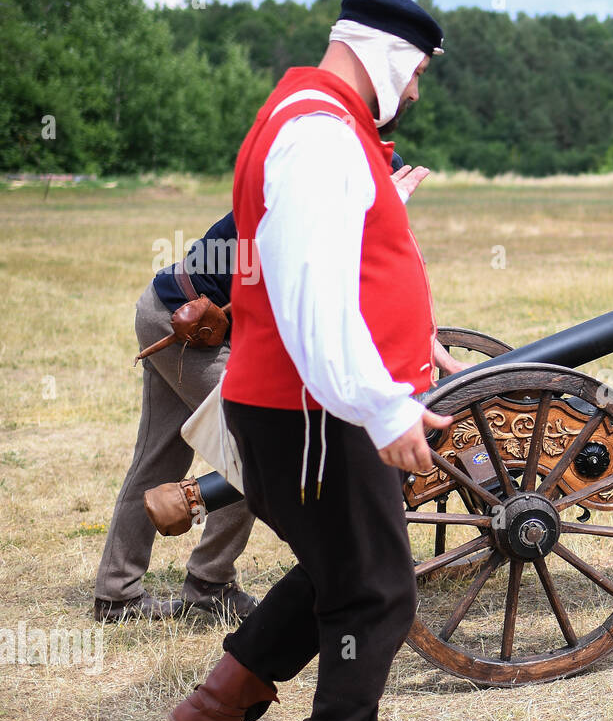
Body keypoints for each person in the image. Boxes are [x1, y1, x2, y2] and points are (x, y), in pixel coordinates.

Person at [167, 0, 462, 721]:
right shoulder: (322, 132)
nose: (411, 98)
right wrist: (383, 405)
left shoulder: (309, 117)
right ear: (394, 58)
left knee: (341, 565)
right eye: (414, 79)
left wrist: (413, 342)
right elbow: (308, 299)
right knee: (376, 589)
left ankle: (219, 705)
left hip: (300, 406)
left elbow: (345, 264)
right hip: (312, 413)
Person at [93, 155, 431, 624]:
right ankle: (207, 586)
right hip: (190, 330)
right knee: (254, 450)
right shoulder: (314, 215)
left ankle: (116, 593)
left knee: (159, 458)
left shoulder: (317, 200)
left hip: (167, 310)